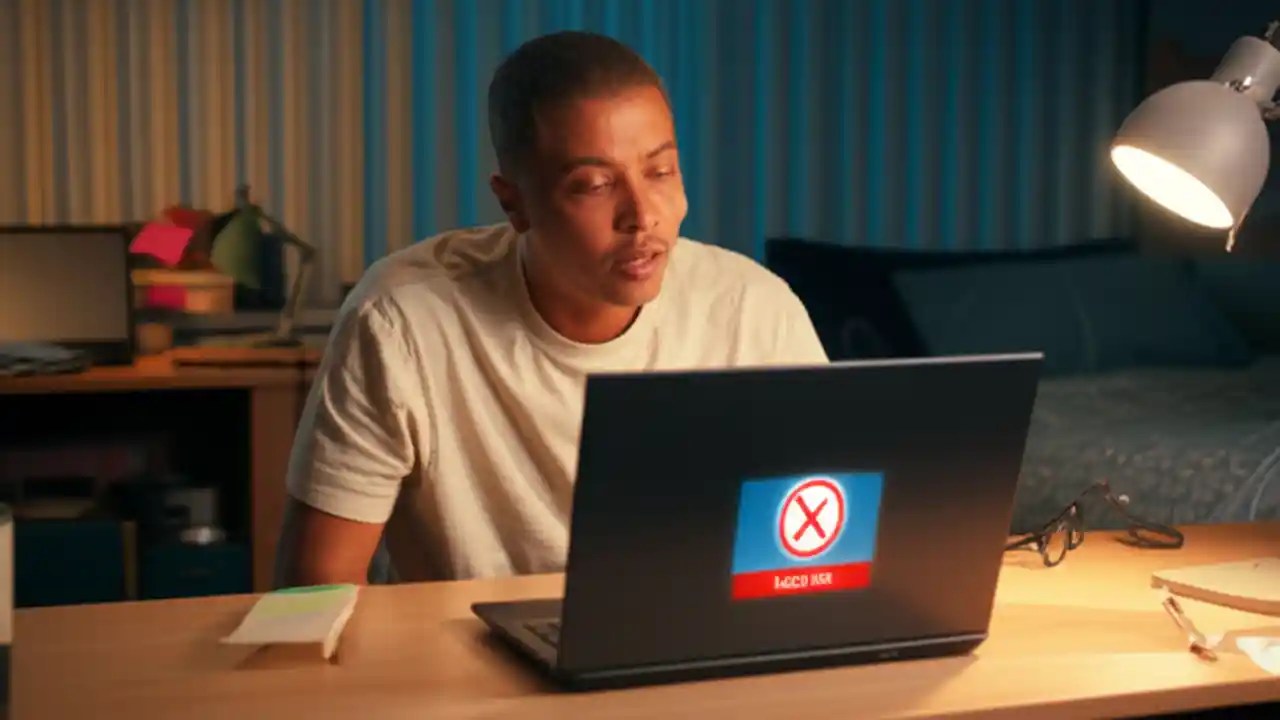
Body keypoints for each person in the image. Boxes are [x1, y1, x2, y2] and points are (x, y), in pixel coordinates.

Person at [276, 30, 828, 587]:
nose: (642, 216)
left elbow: (827, 551)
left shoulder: (753, 310)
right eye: (594, 185)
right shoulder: (400, 321)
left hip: (691, 634)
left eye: (660, 172)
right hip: (462, 640)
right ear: (514, 203)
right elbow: (314, 590)